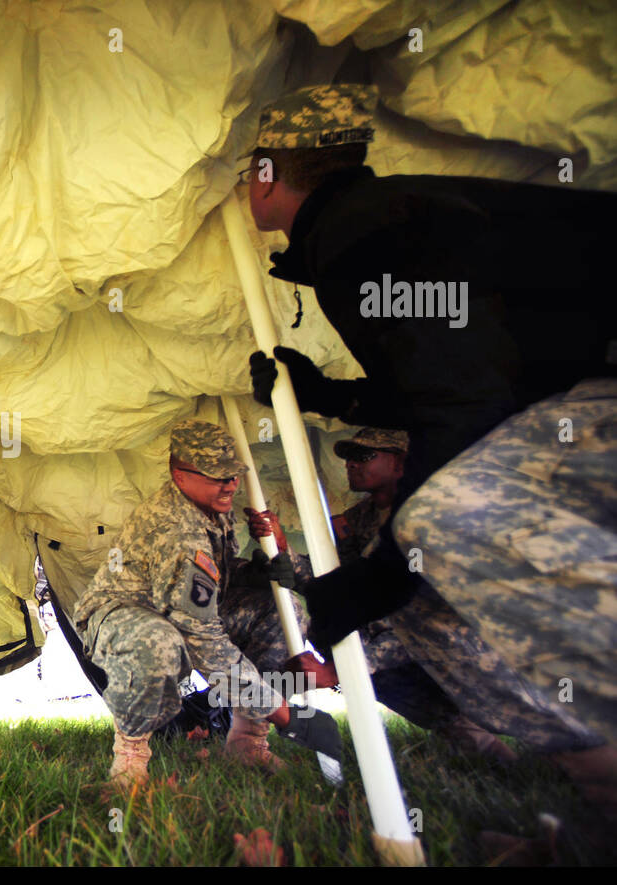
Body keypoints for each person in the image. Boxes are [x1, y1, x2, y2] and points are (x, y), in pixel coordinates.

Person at [242, 84, 616, 821]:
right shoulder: (382, 219)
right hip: (576, 387)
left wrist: (383, 572)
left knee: (452, 518)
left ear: (264, 177)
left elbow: (469, 404)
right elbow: (464, 374)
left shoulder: (364, 234)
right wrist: (336, 398)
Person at [246, 428, 602, 762]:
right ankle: (484, 750)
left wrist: (342, 669)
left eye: (364, 454)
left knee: (529, 714)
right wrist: (282, 550)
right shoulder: (361, 519)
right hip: (408, 644)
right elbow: (341, 584)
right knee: (380, 673)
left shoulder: (431, 513)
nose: (350, 462)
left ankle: (589, 760)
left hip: (473, 641)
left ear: (400, 462)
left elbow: (424, 612)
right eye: (349, 455)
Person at [74, 419, 332, 790]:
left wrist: (268, 561)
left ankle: (247, 742)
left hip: (178, 611)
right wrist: (284, 714)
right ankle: (130, 763)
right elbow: (201, 637)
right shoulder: (176, 529)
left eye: (233, 476)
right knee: (157, 642)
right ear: (179, 474)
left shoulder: (211, 505)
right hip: (122, 613)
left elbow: (215, 582)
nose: (230, 485)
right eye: (217, 477)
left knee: (282, 608)